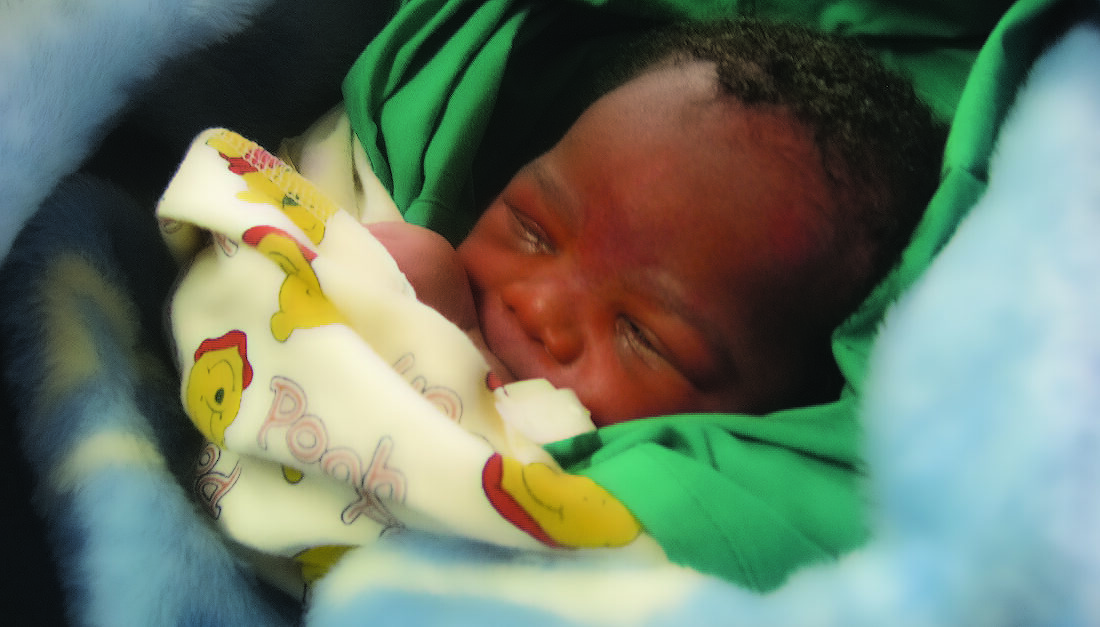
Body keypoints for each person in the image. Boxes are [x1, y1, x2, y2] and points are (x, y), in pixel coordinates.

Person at [161, 15, 944, 595]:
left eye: (642, 334)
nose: (538, 307)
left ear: (768, 417)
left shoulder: (706, 511)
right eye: (531, 228)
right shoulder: (409, 243)